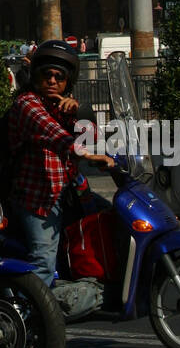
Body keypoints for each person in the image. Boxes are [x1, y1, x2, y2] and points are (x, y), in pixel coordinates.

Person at [7, 39, 113, 312]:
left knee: (111, 219)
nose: (52, 81)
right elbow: (55, 136)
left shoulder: (62, 107)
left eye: (59, 76)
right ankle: (31, 319)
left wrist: (79, 112)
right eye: (47, 74)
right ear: (35, 75)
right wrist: (87, 155)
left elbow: (93, 138)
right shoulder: (27, 104)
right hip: (37, 197)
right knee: (43, 261)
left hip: (69, 192)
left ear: (68, 82)